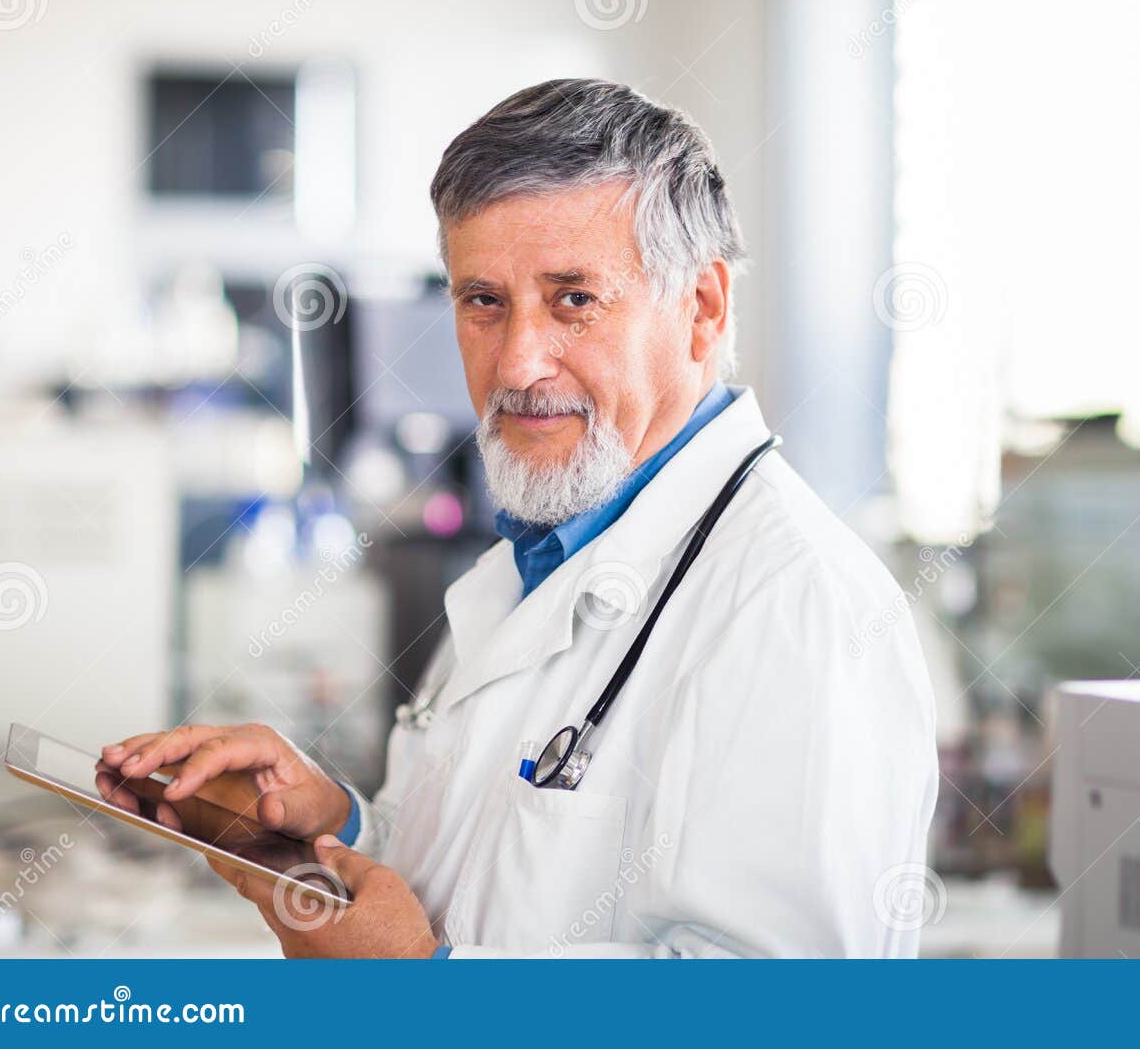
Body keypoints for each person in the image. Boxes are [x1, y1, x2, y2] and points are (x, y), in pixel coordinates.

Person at [100, 78, 938, 957]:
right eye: (484, 301)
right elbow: (473, 883)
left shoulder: (800, 608)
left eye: (574, 299)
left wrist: (426, 986)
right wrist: (335, 825)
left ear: (701, 309)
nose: (516, 363)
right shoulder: (530, 557)